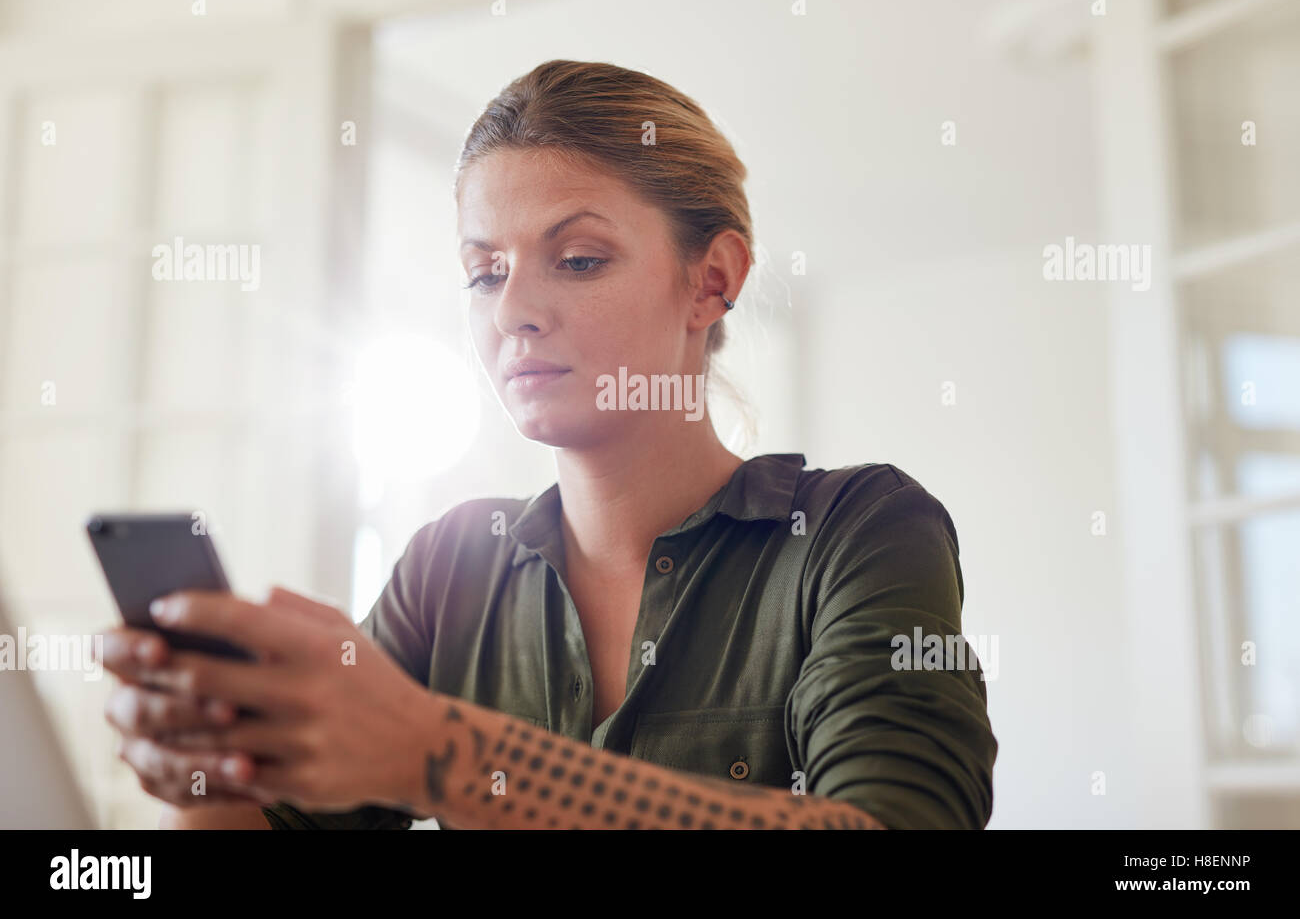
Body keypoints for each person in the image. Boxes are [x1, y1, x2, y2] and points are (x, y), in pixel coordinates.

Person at [100, 60, 997, 829]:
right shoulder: (450, 569)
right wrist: (212, 766)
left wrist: (437, 755)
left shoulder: (859, 531)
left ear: (711, 280)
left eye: (577, 259)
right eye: (484, 270)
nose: (512, 309)